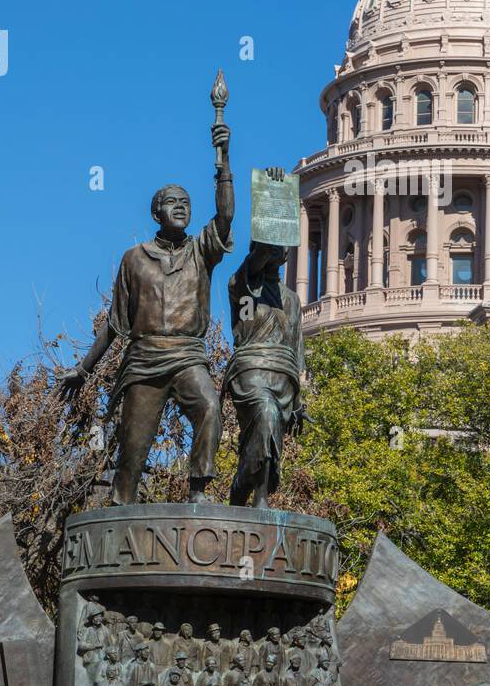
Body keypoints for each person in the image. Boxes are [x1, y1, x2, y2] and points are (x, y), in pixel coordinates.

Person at [58, 117, 234, 505]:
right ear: (156, 213)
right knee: (132, 449)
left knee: (209, 405)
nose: (182, 208)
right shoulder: (134, 259)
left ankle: (198, 491)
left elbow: (225, 217)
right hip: (144, 359)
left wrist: (223, 165)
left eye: (186, 203)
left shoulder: (201, 250)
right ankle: (120, 507)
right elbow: (115, 323)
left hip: (188, 354)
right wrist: (83, 369)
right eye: (173, 203)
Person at [223, 173, 306, 507]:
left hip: (283, 378)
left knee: (269, 438)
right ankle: (255, 496)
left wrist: (300, 401)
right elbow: (260, 255)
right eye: (272, 250)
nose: (277, 255)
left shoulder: (291, 300)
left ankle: (245, 490)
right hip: (251, 371)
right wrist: (275, 193)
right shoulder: (243, 288)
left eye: (282, 251)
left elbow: (297, 349)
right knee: (266, 416)